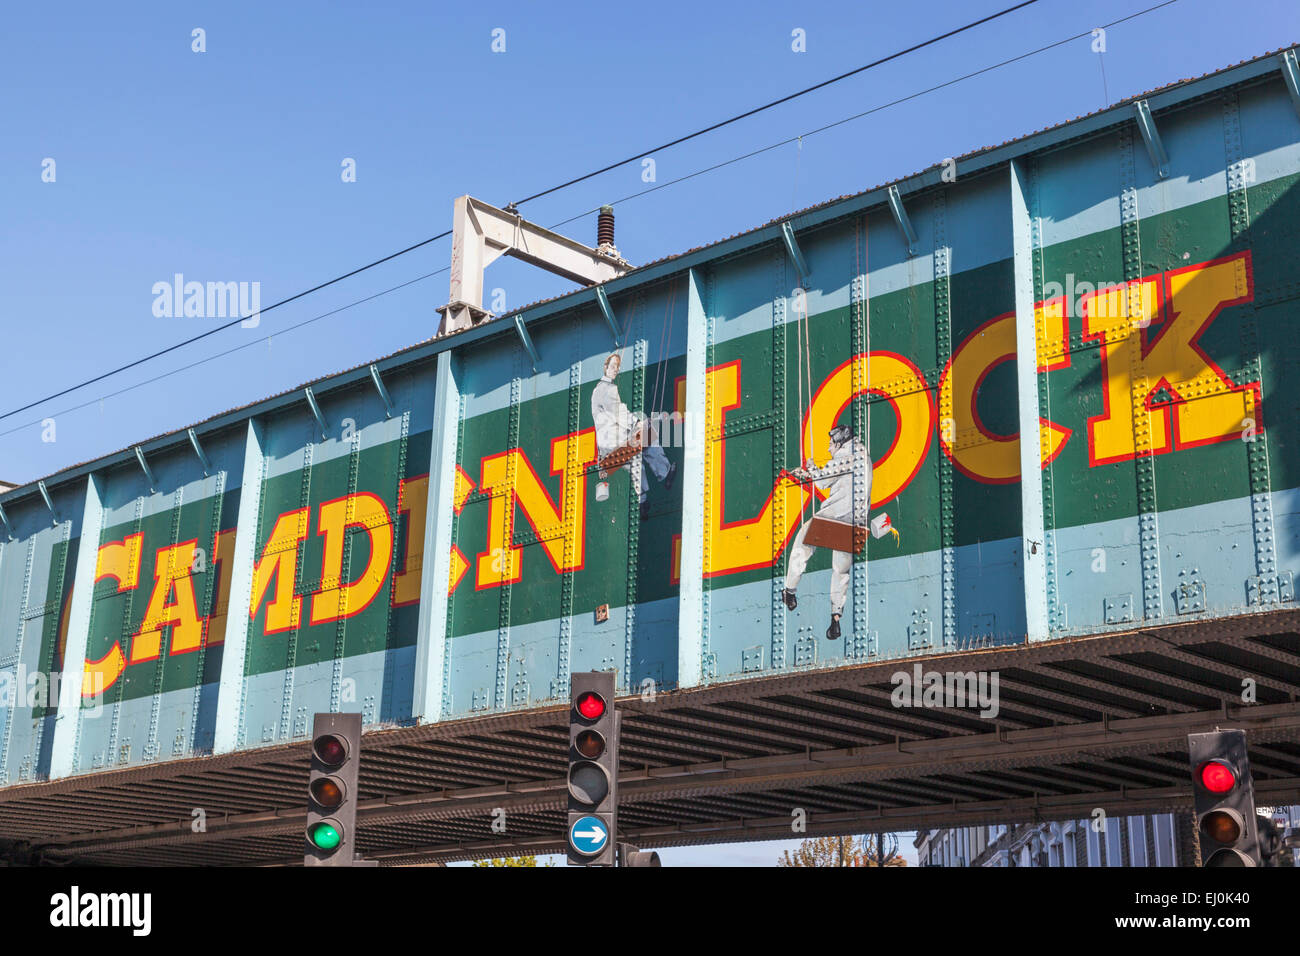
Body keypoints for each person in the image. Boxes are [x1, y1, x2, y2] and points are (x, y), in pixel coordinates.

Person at [782, 423, 871, 640]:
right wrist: (807, 474)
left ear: (839, 442)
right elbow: (837, 478)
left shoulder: (845, 454)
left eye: (831, 444)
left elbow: (822, 482)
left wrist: (811, 466)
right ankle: (835, 619)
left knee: (802, 544)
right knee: (841, 571)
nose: (829, 449)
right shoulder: (862, 455)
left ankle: (789, 591)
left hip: (834, 518)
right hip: (856, 523)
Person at [591, 352, 676, 520]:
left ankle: (644, 500)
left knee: (640, 454)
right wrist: (638, 423)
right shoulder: (606, 389)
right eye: (612, 366)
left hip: (609, 447)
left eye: (617, 367)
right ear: (605, 367)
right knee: (649, 438)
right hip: (614, 446)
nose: (615, 370)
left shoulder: (600, 390)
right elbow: (619, 413)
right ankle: (665, 474)